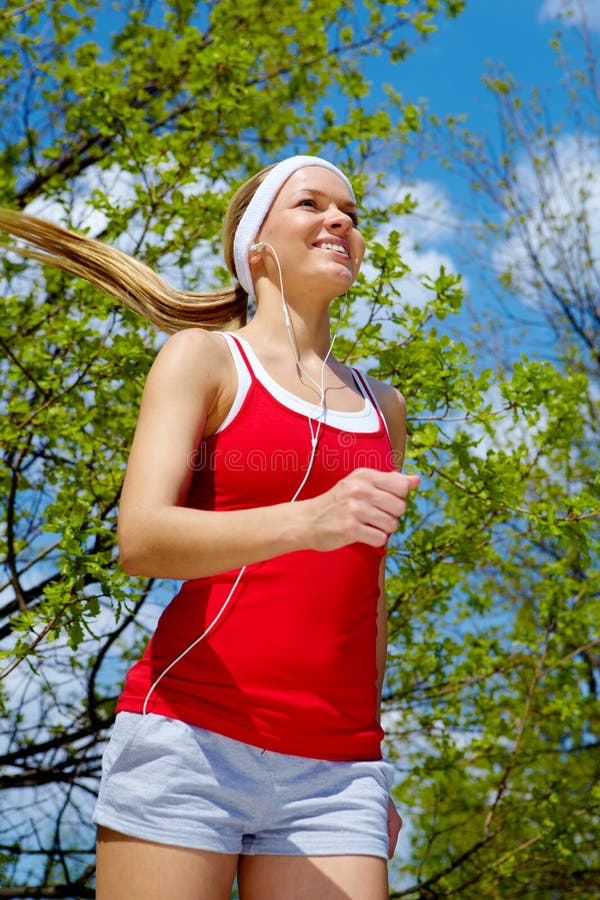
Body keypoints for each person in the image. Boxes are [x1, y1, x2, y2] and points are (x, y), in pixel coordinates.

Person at [0, 155, 419, 899]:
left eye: (351, 213)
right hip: (191, 737)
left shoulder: (381, 406)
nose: (341, 222)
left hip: (335, 769)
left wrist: (373, 764)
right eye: (313, 204)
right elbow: (143, 539)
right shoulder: (205, 360)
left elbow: (368, 595)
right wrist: (310, 519)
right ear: (257, 244)